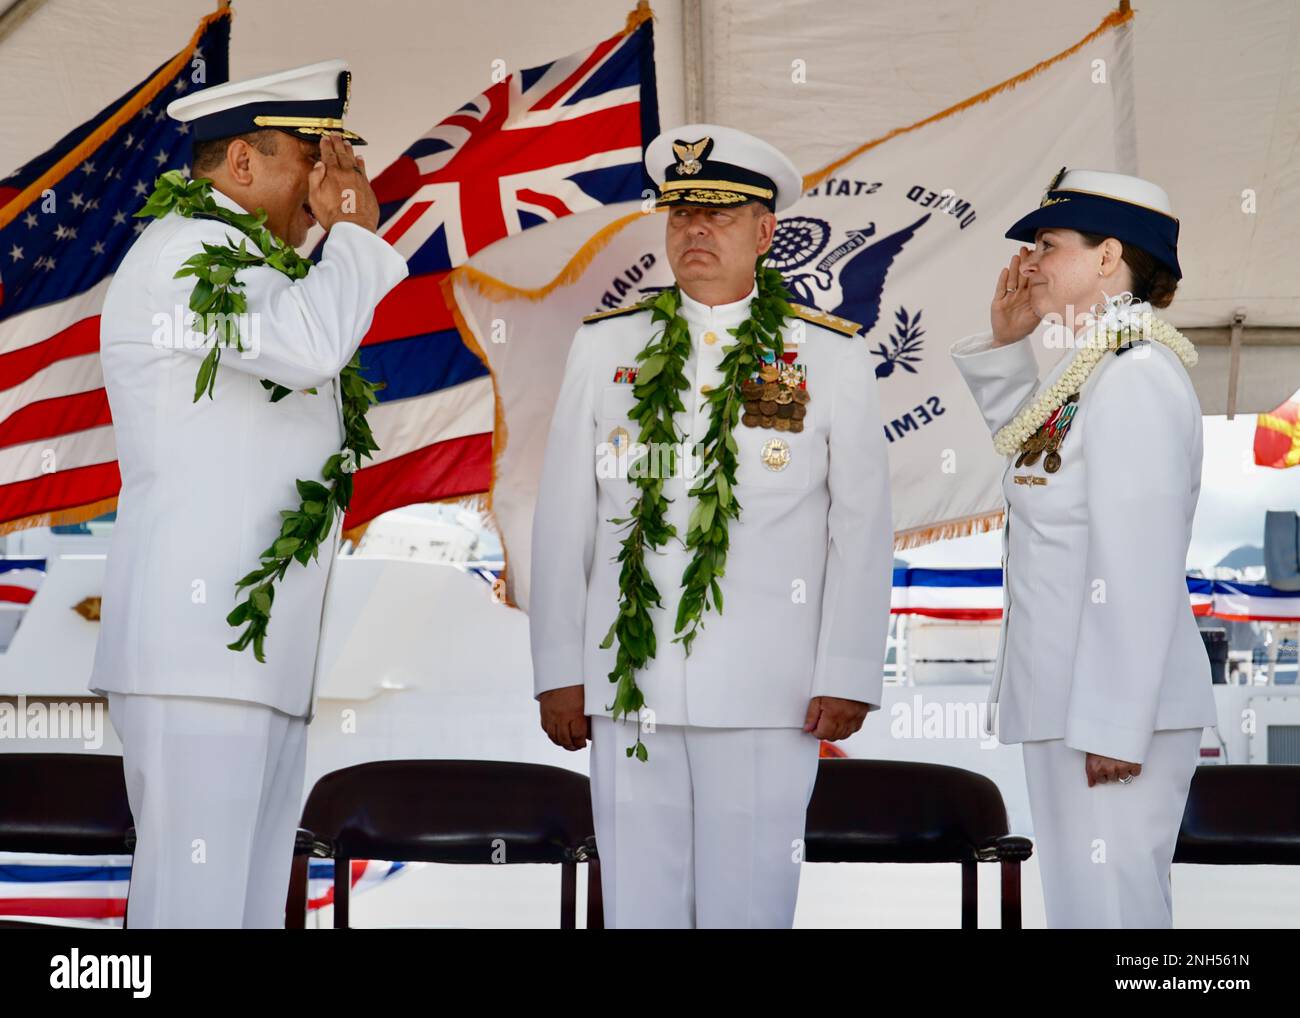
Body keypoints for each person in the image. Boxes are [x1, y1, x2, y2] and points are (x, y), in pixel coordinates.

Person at [529, 124, 894, 928]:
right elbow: (564, 517)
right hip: (630, 686)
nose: (696, 229)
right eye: (682, 212)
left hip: (771, 690)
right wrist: (559, 667)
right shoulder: (606, 348)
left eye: (720, 214)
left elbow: (861, 528)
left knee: (749, 906)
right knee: (639, 906)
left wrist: (848, 669)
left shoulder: (828, 357)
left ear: (765, 233)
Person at [89, 60, 407, 927]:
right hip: (198, 650)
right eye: (318, 156)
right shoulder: (188, 254)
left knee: (247, 907)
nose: (338, 180)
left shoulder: (261, 266)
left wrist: (335, 246)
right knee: (194, 906)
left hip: (252, 653)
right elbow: (310, 348)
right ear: (240, 165)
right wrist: (356, 238)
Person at [950, 168, 1217, 928]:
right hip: (1072, 699)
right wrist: (1006, 346)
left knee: (1112, 915)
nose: (1030, 262)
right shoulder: (1092, 371)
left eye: (1048, 244)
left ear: (1108, 258)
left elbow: (1138, 565)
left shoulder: (1135, 375)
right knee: (1081, 911)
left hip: (1107, 711)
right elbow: (1035, 469)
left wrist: (1112, 723)